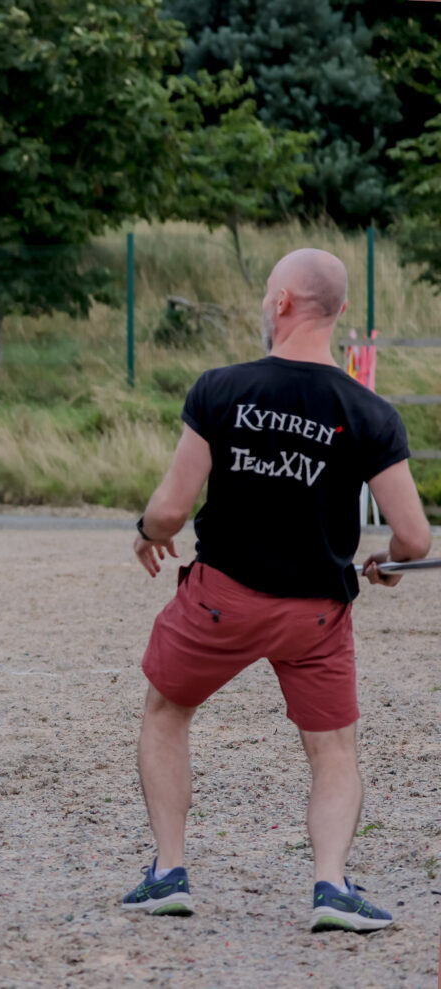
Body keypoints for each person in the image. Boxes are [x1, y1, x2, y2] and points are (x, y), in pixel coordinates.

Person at [122, 248, 431, 932]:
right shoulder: (369, 410)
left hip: (220, 601)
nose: (266, 303)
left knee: (166, 713)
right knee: (334, 750)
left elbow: (170, 510)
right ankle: (331, 886)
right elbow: (414, 536)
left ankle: (168, 872)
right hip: (315, 615)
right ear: (339, 311)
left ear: (284, 302)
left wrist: (146, 531)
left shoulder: (220, 388)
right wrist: (389, 561)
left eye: (269, 293)